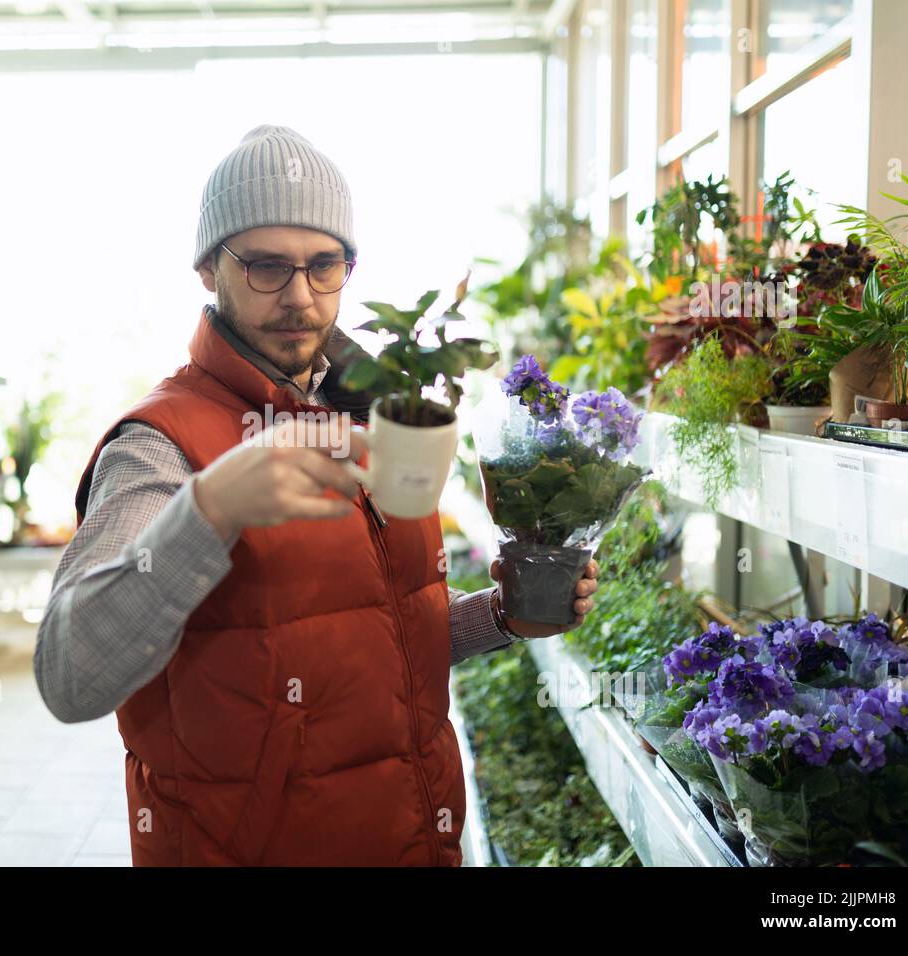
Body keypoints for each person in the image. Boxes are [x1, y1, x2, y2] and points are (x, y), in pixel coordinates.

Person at [34, 124, 599, 866]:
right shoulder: (161, 444)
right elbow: (71, 675)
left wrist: (499, 617)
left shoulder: (378, 415)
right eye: (265, 266)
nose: (299, 297)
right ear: (209, 269)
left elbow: (371, 636)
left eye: (323, 265)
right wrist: (209, 510)